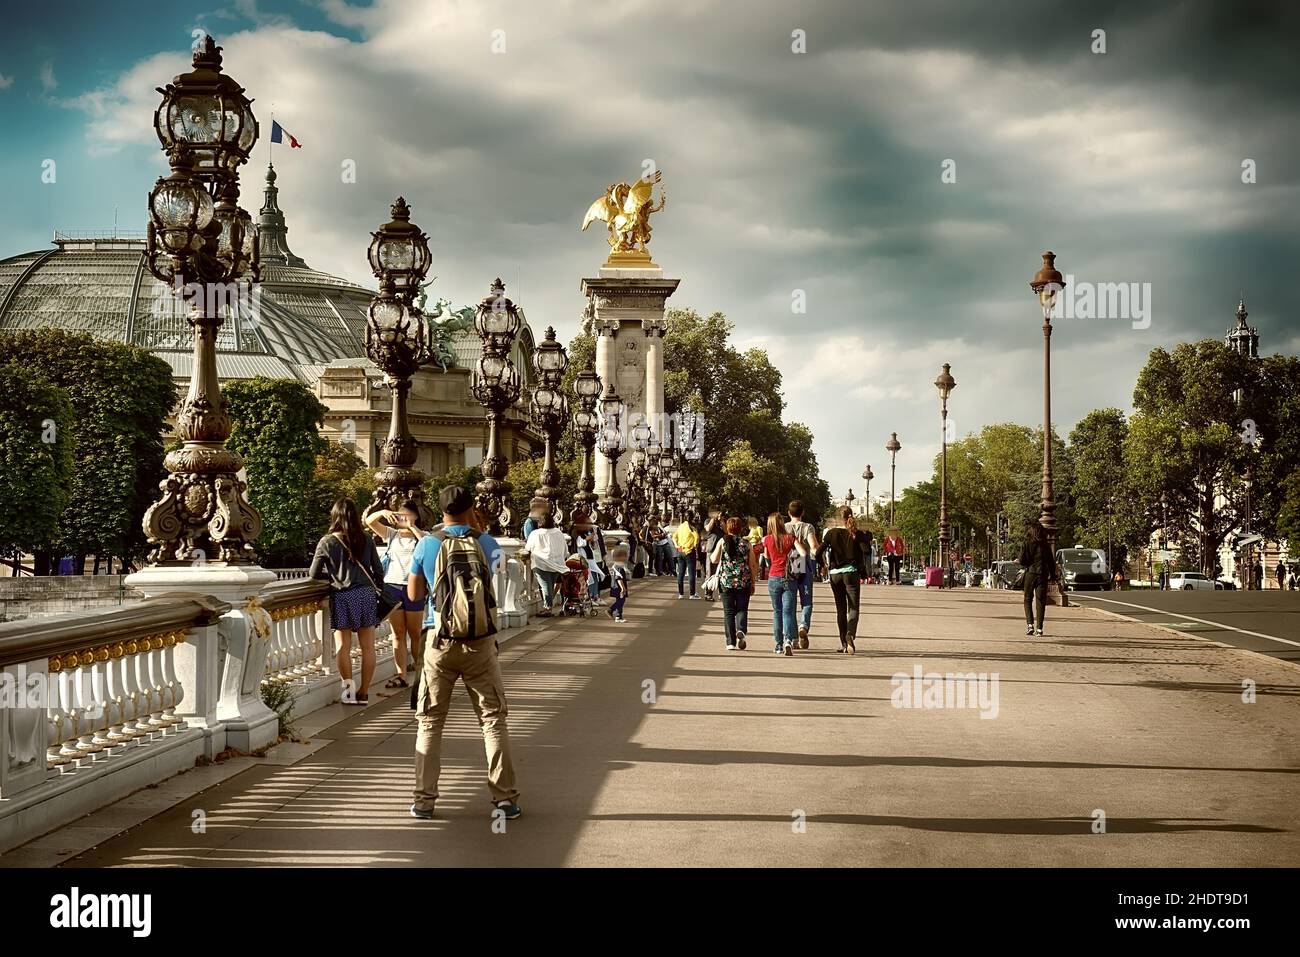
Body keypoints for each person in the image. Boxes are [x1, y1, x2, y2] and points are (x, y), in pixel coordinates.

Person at [406, 485, 519, 822]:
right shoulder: (486, 543)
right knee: (492, 721)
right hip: (480, 643)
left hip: (439, 642)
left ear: (440, 511)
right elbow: (497, 577)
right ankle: (504, 800)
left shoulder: (427, 543)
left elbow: (413, 594)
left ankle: (424, 802)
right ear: (471, 508)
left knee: (430, 723)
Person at [309, 498, 386, 705]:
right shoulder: (367, 539)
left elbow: (313, 573)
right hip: (366, 595)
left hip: (343, 595)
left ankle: (349, 693)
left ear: (335, 516)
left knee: (343, 647)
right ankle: (364, 692)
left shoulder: (327, 542)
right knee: (368, 647)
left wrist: (335, 578)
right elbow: (378, 571)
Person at [365, 501, 429, 690]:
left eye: (407, 514)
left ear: (416, 516)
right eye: (400, 514)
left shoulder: (422, 536)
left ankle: (420, 672)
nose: (402, 517)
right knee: (398, 634)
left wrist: (412, 526)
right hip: (392, 587)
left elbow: (426, 545)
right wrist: (384, 512)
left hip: (414, 587)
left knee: (415, 633)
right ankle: (401, 674)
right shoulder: (392, 535)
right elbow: (369, 522)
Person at [818, 506, 872, 654]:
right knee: (853, 607)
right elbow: (867, 551)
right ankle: (850, 635)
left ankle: (843, 643)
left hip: (835, 574)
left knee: (840, 609)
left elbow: (818, 552)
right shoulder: (856, 533)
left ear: (837, 518)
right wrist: (864, 538)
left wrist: (823, 565)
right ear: (851, 516)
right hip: (851, 573)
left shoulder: (831, 533)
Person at [762, 512, 809, 656]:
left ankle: (778, 645)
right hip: (789, 577)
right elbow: (803, 553)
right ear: (782, 523)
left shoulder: (767, 539)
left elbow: (766, 557)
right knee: (788, 612)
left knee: (777, 612)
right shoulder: (790, 538)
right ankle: (788, 640)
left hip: (774, 577)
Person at [711, 515, 760, 651]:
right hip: (743, 581)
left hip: (726, 582)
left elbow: (714, 559)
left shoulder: (723, 541)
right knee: (742, 609)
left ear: (728, 528)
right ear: (740, 529)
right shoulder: (746, 543)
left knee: (728, 612)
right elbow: (753, 565)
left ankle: (730, 642)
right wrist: (753, 582)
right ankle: (741, 630)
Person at [784, 501, 821, 648]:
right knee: (807, 601)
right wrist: (821, 560)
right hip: (804, 563)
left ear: (789, 513)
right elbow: (813, 547)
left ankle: (792, 637)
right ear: (803, 513)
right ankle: (803, 626)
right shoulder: (808, 527)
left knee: (790, 601)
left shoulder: (784, 527)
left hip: (789, 566)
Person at [523, 505, 568, 616]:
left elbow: (528, 548)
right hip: (557, 564)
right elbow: (565, 550)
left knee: (545, 586)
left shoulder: (535, 534)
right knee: (550, 585)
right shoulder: (558, 532)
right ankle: (548, 605)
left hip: (541, 562)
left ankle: (548, 608)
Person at [1018, 519, 1055, 637]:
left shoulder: (1027, 543)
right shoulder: (1046, 545)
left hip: (1030, 573)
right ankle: (1039, 628)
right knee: (1041, 601)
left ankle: (1030, 625)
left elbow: (1022, 560)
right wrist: (1053, 575)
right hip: (1042, 574)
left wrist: (1027, 563)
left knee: (1028, 599)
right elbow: (1051, 562)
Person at [673, 514, 700, 599]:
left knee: (681, 573)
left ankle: (681, 594)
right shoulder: (691, 527)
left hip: (680, 551)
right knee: (691, 573)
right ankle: (692, 594)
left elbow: (674, 536)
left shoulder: (681, 526)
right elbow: (697, 537)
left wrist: (677, 545)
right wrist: (695, 546)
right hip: (689, 551)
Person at [606, 544, 632, 622]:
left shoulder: (616, 566)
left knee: (620, 601)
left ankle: (616, 613)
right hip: (619, 587)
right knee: (621, 601)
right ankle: (616, 614)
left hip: (616, 587)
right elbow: (619, 579)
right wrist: (623, 588)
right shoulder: (619, 568)